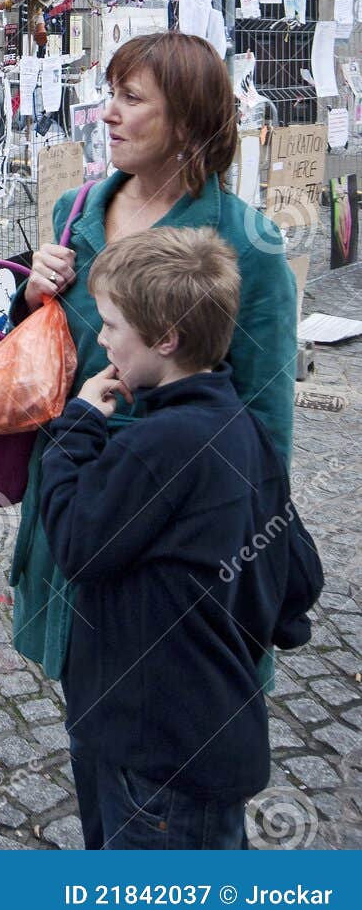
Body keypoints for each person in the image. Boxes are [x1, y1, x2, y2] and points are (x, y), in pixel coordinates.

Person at [9, 32, 297, 691]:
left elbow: (266, 424)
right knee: (89, 707)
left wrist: (249, 559)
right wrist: (30, 298)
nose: (107, 112)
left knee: (169, 707)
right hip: (75, 502)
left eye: (132, 98)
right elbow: (52, 354)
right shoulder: (77, 210)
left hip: (173, 524)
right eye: (110, 93)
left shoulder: (245, 243)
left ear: (187, 123)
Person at [40, 227, 322, 849]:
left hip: (153, 751)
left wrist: (77, 428)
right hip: (213, 735)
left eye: (112, 325)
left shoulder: (156, 445)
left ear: (165, 339)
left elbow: (77, 543)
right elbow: (299, 577)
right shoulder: (241, 428)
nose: (102, 338)